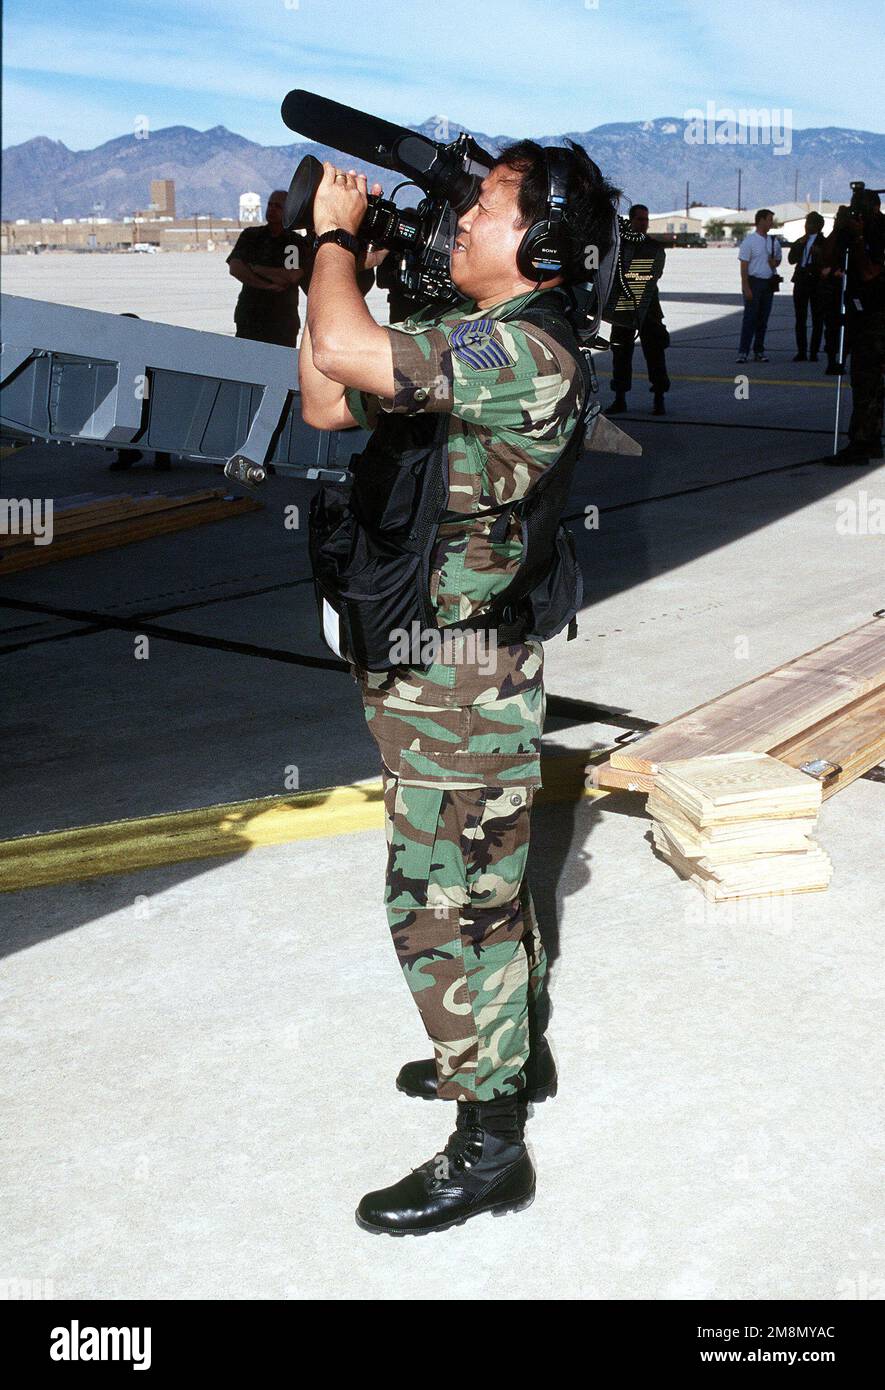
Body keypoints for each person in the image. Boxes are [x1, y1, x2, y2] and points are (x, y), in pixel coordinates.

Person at [299, 142, 619, 1235]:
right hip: (436, 671)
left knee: (445, 904)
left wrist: (334, 239)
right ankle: (499, 1058)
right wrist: (336, 266)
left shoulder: (528, 355)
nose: (462, 224)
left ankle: (489, 1151)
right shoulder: (472, 345)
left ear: (536, 241)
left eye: (483, 208)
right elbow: (329, 398)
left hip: (463, 677)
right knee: (478, 887)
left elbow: (344, 346)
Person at [820, 193, 885, 464]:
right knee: (869, 382)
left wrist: (858, 239)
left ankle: (861, 443)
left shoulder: (881, 232)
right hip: (861, 315)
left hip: (878, 317)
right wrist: (839, 228)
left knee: (867, 380)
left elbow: (870, 272)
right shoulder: (852, 230)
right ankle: (870, 440)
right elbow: (826, 260)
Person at [605, 203, 670, 415]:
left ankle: (659, 397)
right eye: (640, 219)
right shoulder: (619, 245)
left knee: (655, 352)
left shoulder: (653, 247)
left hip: (649, 307)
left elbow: (653, 275)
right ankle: (620, 397)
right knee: (621, 352)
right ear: (630, 220)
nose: (643, 224)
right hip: (624, 306)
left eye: (646, 220)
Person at [226, 191, 311, 347]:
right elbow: (236, 268)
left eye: (277, 206)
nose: (271, 209)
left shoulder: (294, 243)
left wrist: (256, 268)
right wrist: (266, 284)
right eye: (270, 205)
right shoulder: (251, 236)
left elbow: (291, 276)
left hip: (282, 320)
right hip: (250, 317)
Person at [737, 208, 782, 362]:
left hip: (768, 283)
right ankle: (743, 351)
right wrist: (746, 287)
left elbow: (778, 261)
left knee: (763, 320)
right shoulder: (749, 241)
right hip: (754, 282)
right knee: (750, 318)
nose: (771, 223)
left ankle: (759, 350)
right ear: (761, 220)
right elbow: (744, 266)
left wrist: (774, 262)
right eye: (769, 219)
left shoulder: (773, 241)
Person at [788, 211, 826, 361]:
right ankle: (801, 351)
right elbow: (791, 259)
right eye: (806, 223)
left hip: (816, 282)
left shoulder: (824, 242)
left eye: (810, 223)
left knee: (817, 319)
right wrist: (799, 245)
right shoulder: (800, 241)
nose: (806, 226)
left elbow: (828, 260)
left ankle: (814, 352)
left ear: (817, 226)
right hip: (801, 280)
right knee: (800, 318)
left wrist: (819, 253)